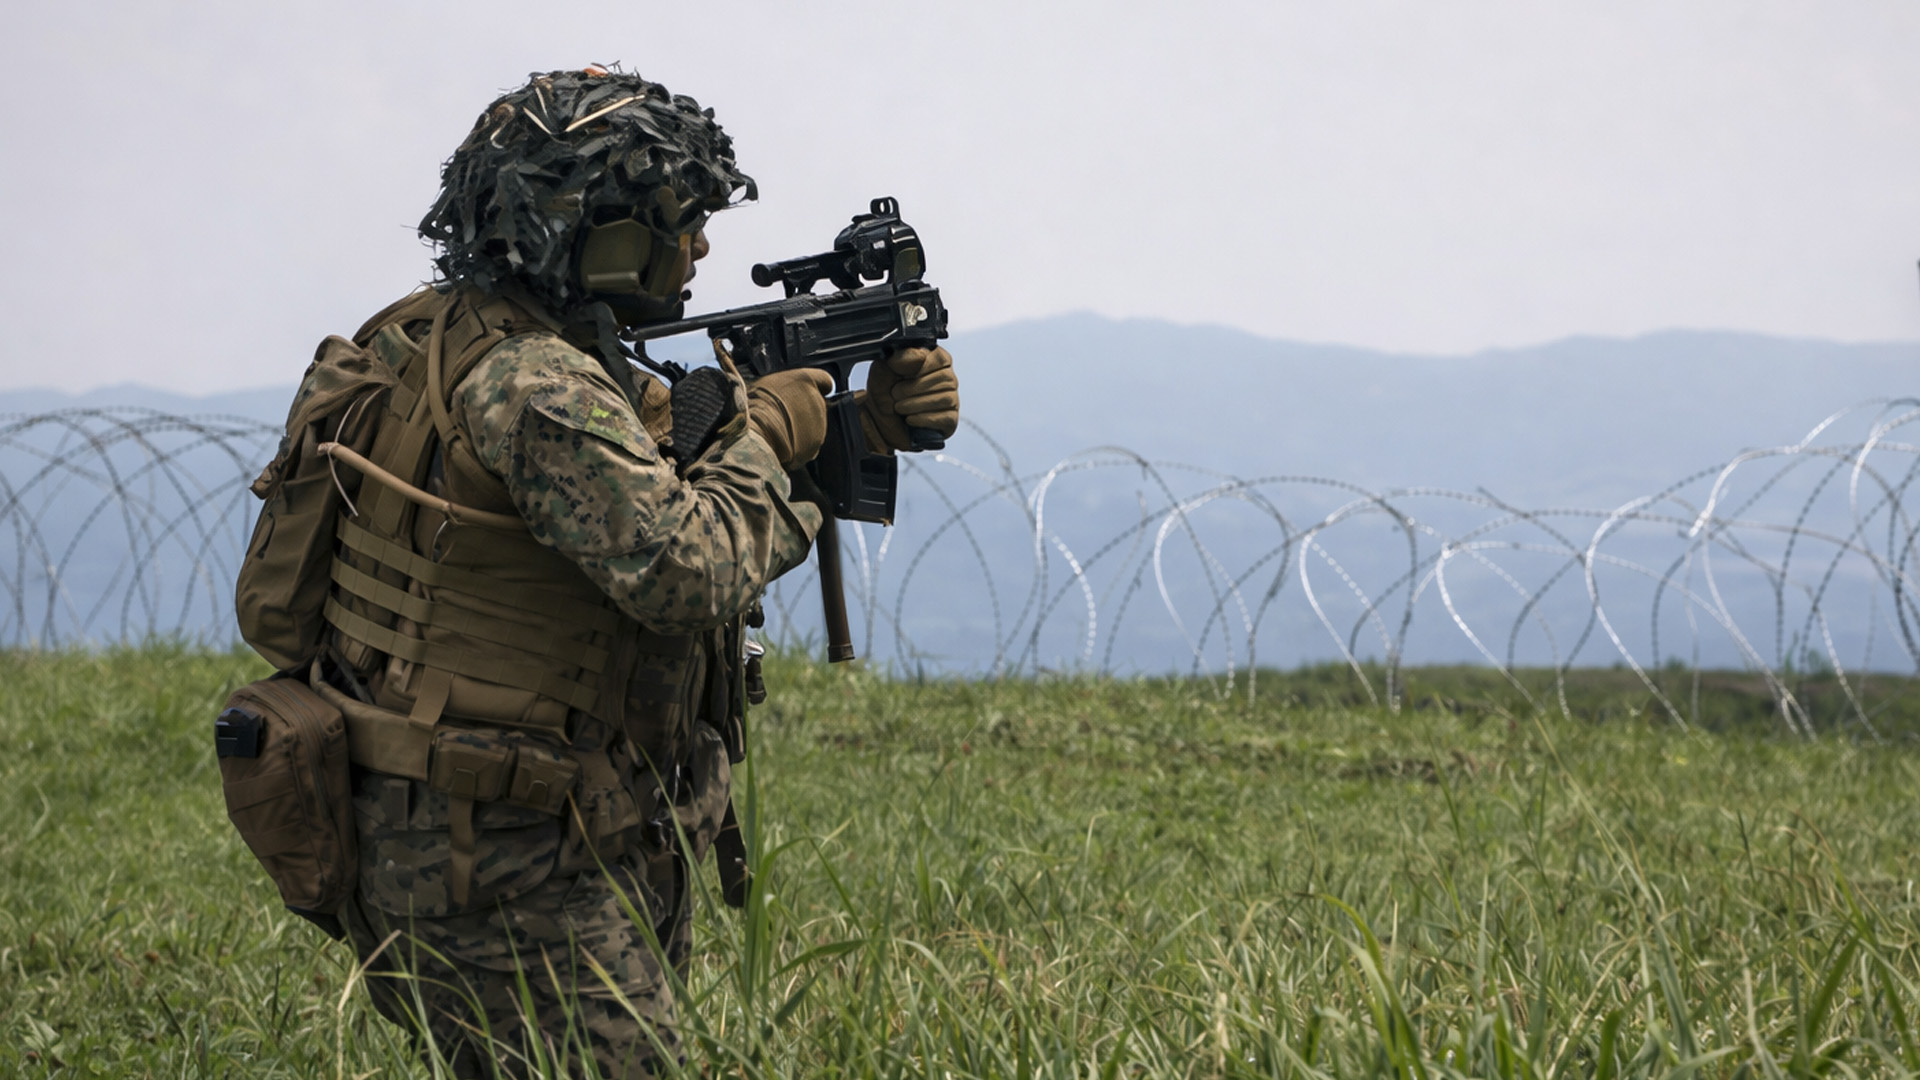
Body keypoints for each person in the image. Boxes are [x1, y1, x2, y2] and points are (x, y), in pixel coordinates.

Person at [298, 67, 958, 1078]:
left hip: (488, 825)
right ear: (587, 229)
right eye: (677, 223)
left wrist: (859, 427)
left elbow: (623, 498)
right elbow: (684, 568)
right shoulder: (538, 387)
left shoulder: (435, 331)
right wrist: (773, 436)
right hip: (506, 857)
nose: (699, 248)